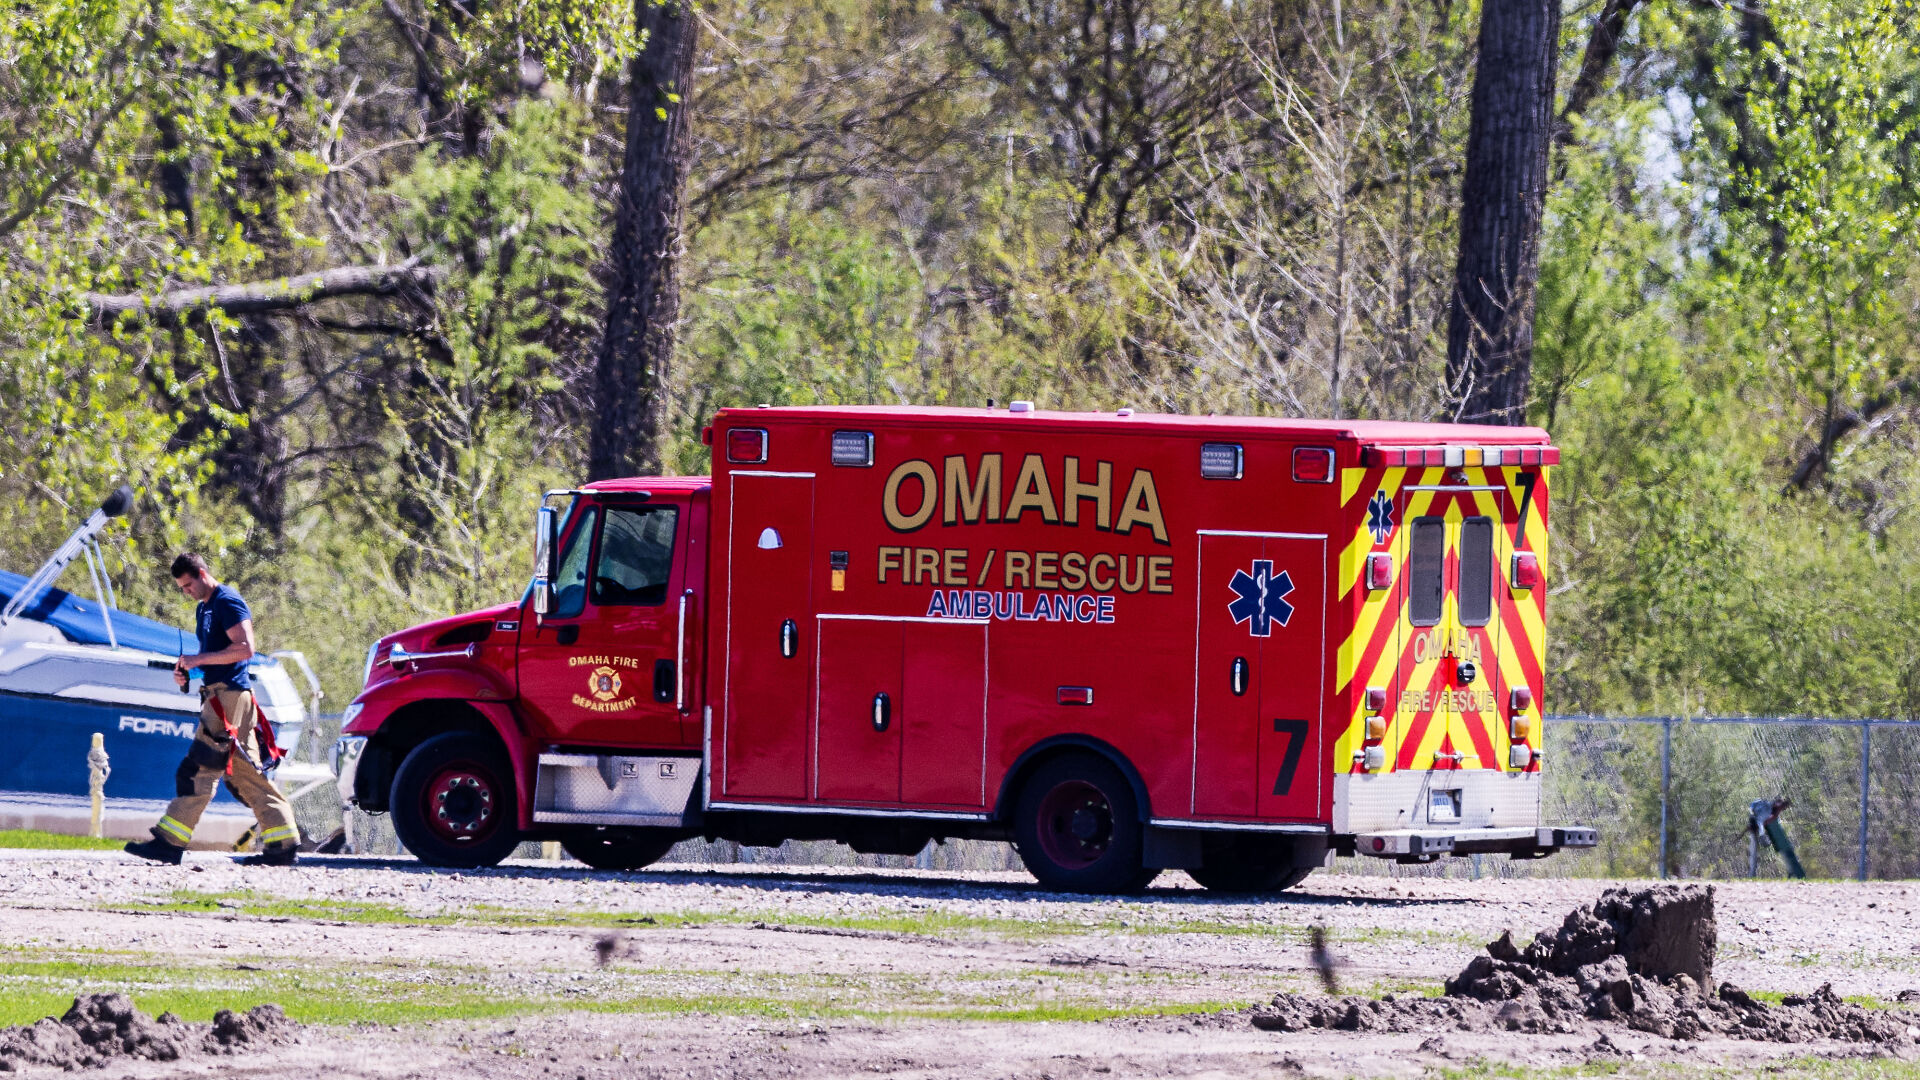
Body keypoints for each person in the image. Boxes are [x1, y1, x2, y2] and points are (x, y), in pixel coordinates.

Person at [123, 554, 301, 866]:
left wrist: (198, 661)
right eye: (181, 587)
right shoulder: (204, 608)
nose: (186, 591)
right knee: (245, 773)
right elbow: (215, 657)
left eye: (189, 584)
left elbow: (245, 649)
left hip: (228, 698)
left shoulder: (226, 600)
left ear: (203, 574)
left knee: (199, 768)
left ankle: (169, 842)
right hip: (223, 695)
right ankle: (283, 842)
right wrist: (188, 673)